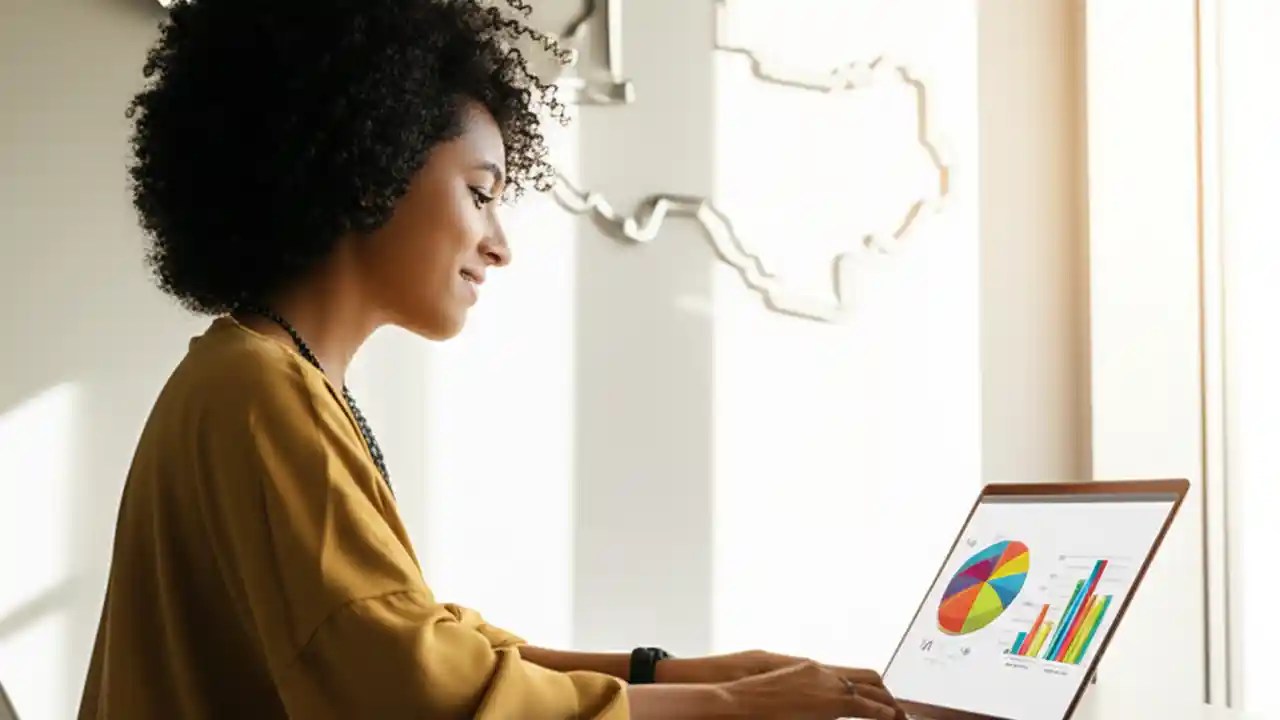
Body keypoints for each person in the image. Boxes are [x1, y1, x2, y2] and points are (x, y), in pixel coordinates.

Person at [79, 1, 907, 718]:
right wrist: (728, 706)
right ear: (371, 169)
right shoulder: (258, 391)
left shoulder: (261, 375)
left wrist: (679, 674)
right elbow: (418, 693)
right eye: (481, 193)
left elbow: (419, 639)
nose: (499, 246)